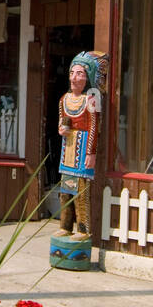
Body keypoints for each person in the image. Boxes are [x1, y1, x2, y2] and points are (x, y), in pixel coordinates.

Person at [58, 50, 108, 240]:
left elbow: (95, 127)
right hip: (68, 147)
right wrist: (62, 130)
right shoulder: (64, 99)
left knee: (80, 191)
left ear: (87, 78)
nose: (74, 77)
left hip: (83, 146)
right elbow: (61, 122)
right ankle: (65, 225)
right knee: (65, 189)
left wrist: (91, 153)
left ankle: (83, 229)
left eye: (79, 73)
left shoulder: (92, 99)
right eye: (72, 72)